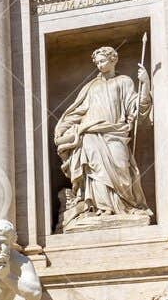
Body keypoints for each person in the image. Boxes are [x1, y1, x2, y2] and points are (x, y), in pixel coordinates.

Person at [54, 44, 152, 219]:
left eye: (102, 61)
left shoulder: (124, 81)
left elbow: (137, 107)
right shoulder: (90, 87)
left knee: (121, 167)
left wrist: (145, 83)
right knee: (95, 170)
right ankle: (102, 208)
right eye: (97, 62)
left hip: (116, 132)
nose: (99, 65)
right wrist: (62, 128)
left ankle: (126, 205)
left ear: (113, 60)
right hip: (90, 133)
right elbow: (78, 111)